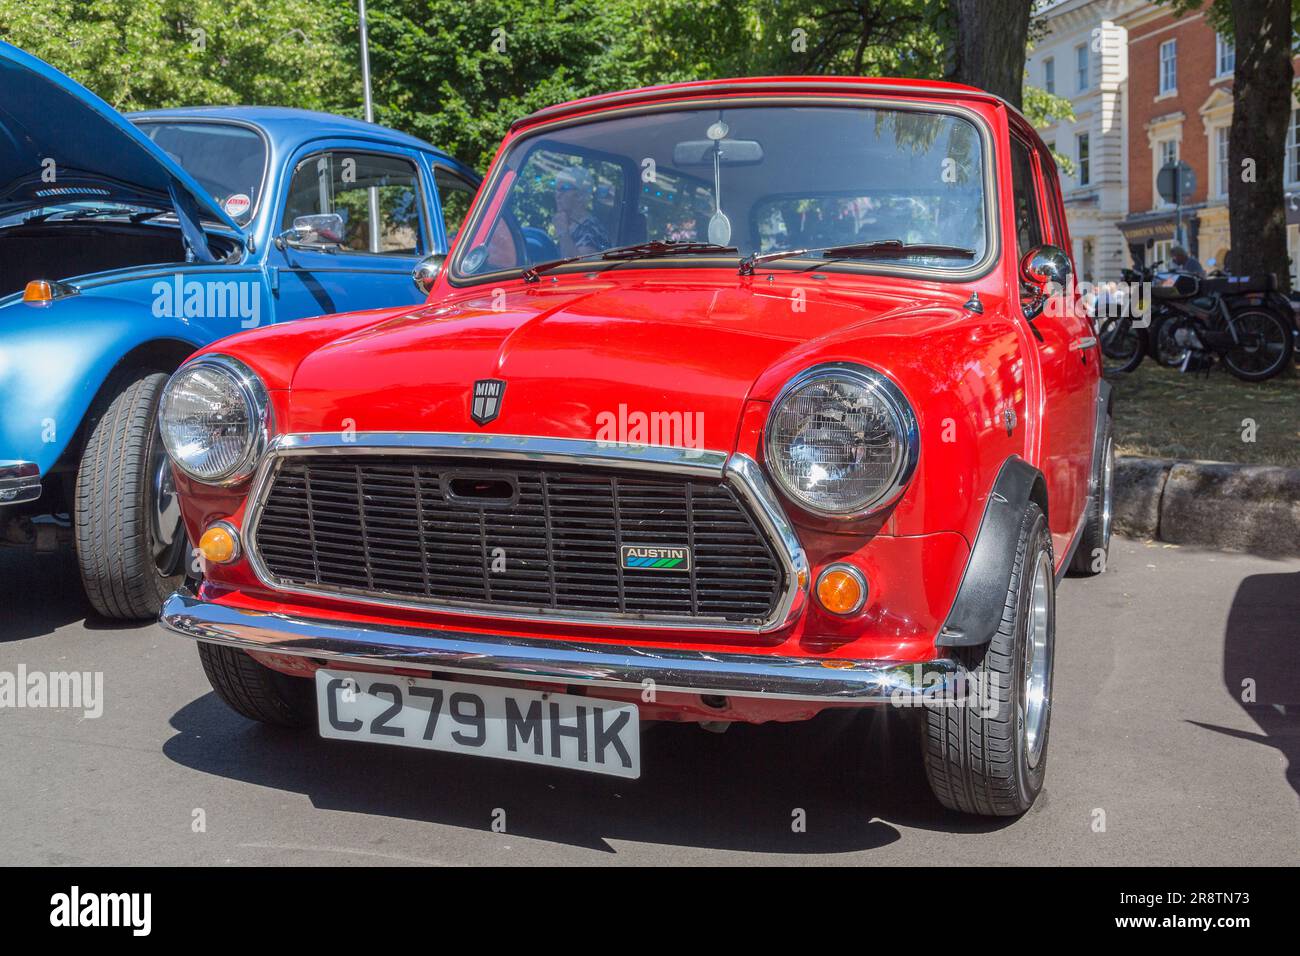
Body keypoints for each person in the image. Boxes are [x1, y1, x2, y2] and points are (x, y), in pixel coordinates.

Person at [552, 166, 610, 256]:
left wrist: (563, 233)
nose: (557, 194)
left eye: (563, 188)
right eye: (555, 188)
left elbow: (577, 266)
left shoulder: (591, 229)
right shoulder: (572, 225)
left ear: (580, 195)